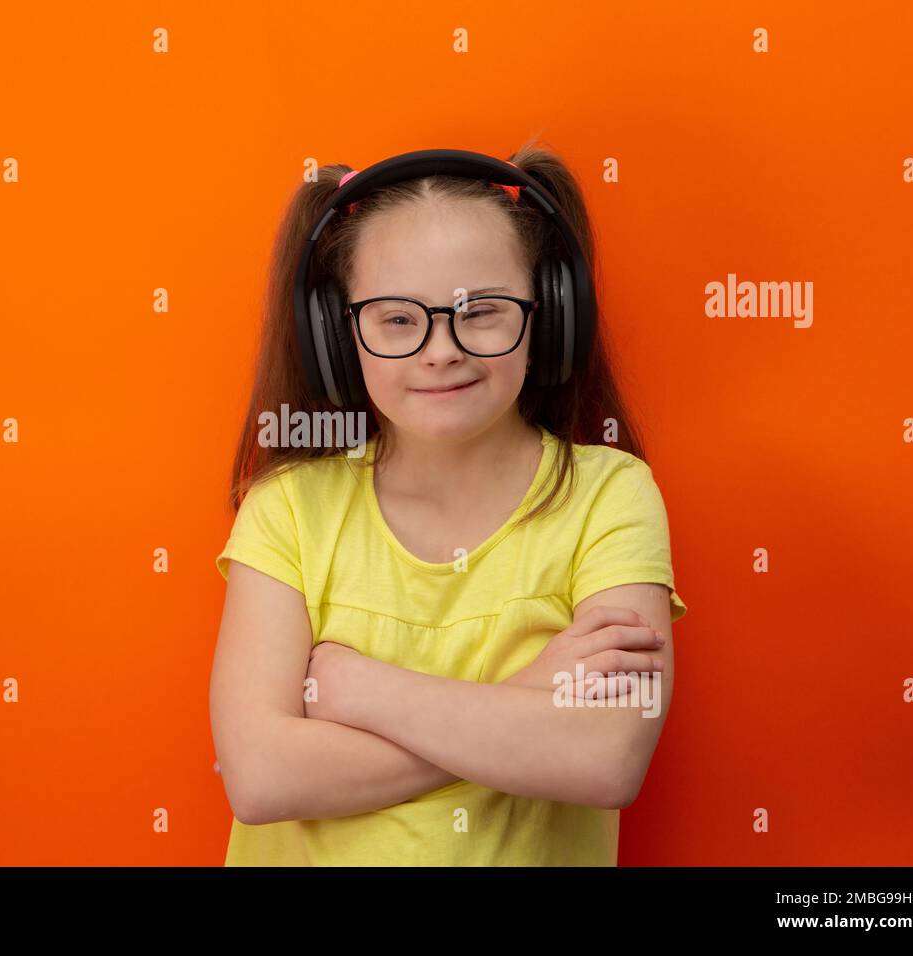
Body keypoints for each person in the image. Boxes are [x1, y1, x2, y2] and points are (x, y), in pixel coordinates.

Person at [209, 141, 688, 866]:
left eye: (482, 312)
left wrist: (358, 688)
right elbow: (262, 776)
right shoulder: (288, 510)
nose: (441, 350)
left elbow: (604, 759)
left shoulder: (609, 496)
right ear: (341, 338)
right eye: (398, 319)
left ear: (548, 316)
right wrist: (529, 695)